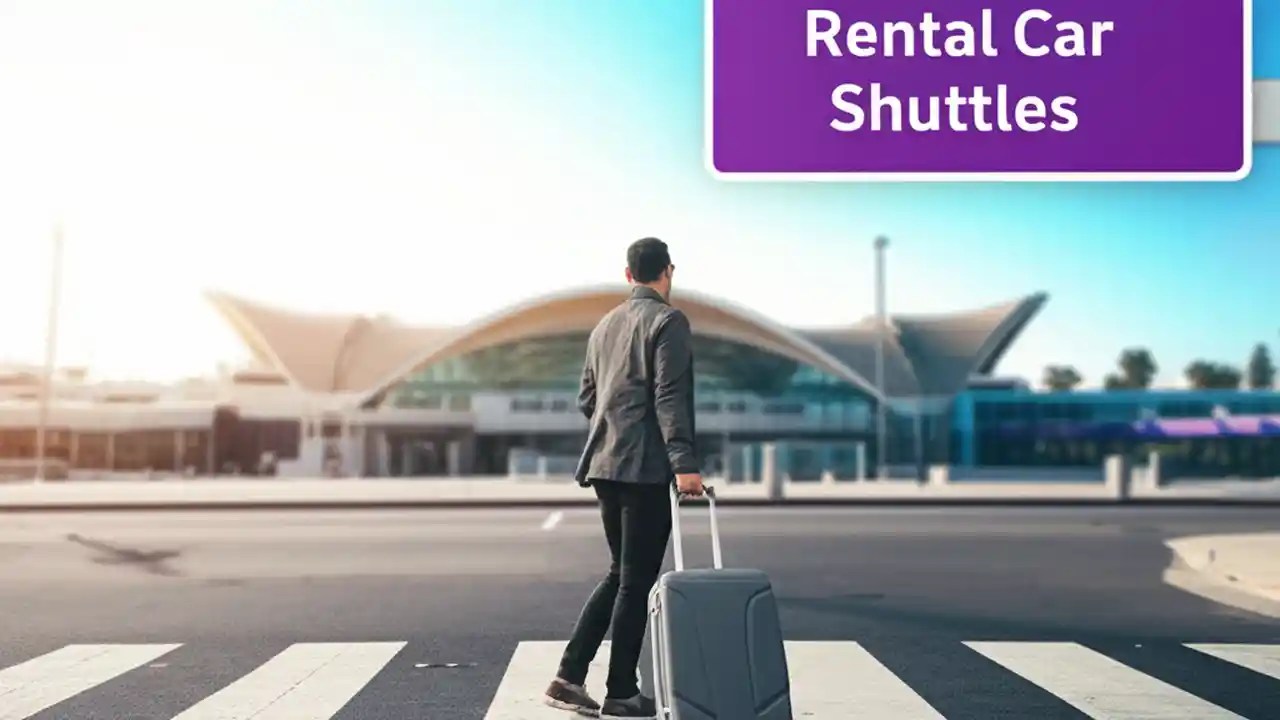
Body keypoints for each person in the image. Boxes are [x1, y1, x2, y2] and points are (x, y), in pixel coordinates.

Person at [544, 237, 704, 720]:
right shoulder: (668, 321)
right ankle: (620, 692)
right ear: (668, 272)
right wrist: (685, 464)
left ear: (628, 274)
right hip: (645, 467)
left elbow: (587, 399)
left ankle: (570, 676)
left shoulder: (604, 325)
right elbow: (669, 396)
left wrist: (612, 433)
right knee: (635, 580)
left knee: (622, 574)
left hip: (605, 465)